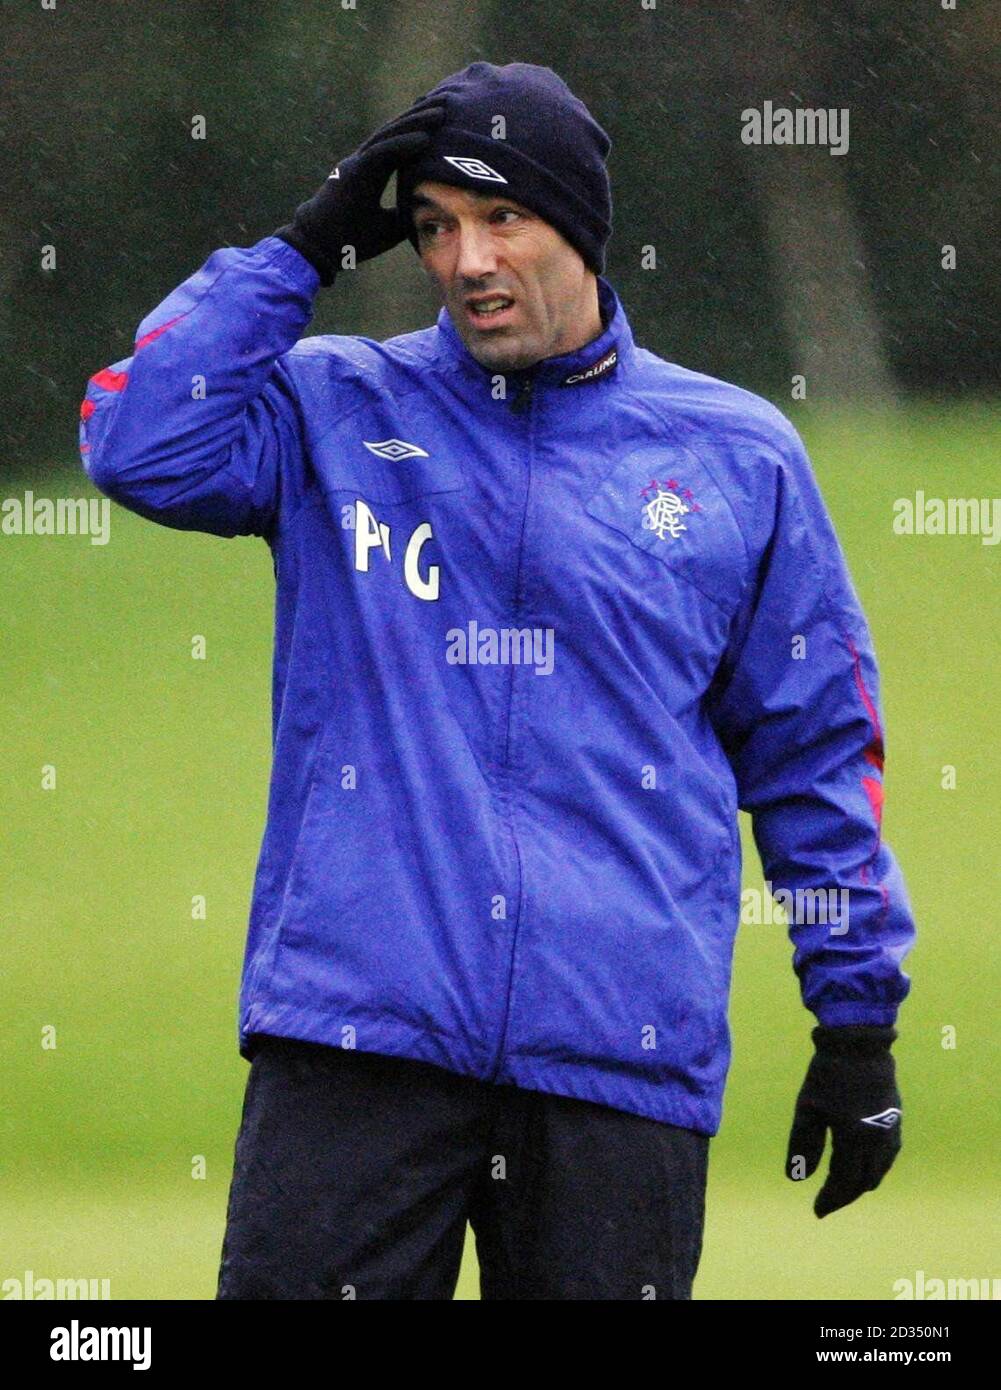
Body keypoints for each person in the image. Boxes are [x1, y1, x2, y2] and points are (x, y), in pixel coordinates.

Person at [79, 61, 916, 1301]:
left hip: (615, 1068)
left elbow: (815, 758)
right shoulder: (328, 408)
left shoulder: (740, 456)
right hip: (355, 1048)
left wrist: (855, 1024)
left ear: (577, 226)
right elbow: (136, 438)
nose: (466, 259)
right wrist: (306, 245)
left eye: (501, 218)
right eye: (429, 227)